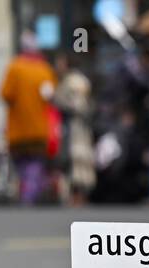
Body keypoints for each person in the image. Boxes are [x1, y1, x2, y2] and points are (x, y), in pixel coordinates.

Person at [0, 31, 56, 205]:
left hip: (18, 128)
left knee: (21, 163)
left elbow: (5, 94)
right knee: (35, 163)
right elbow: (50, 96)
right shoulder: (44, 70)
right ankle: (31, 192)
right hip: (39, 128)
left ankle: (27, 192)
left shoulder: (14, 68)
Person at [52, 55, 96, 204]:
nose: (58, 67)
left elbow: (78, 105)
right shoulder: (76, 80)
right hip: (76, 126)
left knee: (76, 160)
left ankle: (77, 196)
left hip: (75, 126)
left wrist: (56, 100)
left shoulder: (73, 82)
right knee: (76, 161)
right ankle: (77, 195)